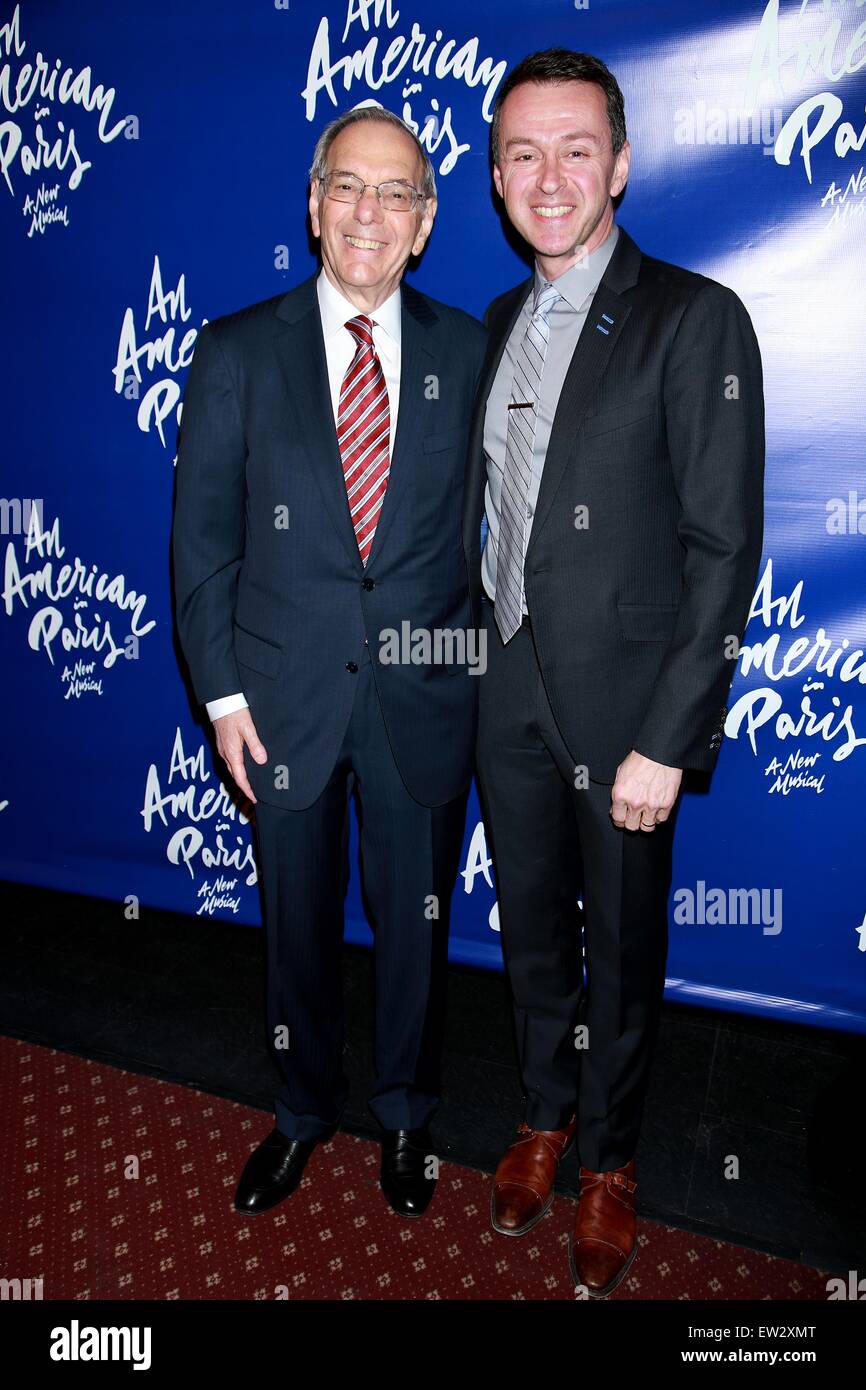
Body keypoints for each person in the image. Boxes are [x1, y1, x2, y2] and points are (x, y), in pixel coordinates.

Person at [463, 48, 765, 1296]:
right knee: (531, 930)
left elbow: (721, 548)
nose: (549, 175)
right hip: (505, 682)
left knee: (626, 946)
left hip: (628, 714)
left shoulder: (694, 319)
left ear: (621, 164)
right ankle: (543, 1115)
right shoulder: (491, 322)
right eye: (522, 153)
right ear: (493, 178)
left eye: (574, 148)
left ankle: (612, 1161)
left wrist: (668, 736)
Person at [173, 106, 486, 1220]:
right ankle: (301, 1112)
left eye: (395, 193)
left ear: (424, 223)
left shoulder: (467, 350)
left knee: (416, 926)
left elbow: (492, 539)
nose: (367, 211)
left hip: (421, 698)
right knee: (293, 927)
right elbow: (205, 541)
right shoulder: (235, 348)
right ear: (312, 204)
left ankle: (408, 1118)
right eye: (346, 187)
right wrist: (221, 694)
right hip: (282, 703)